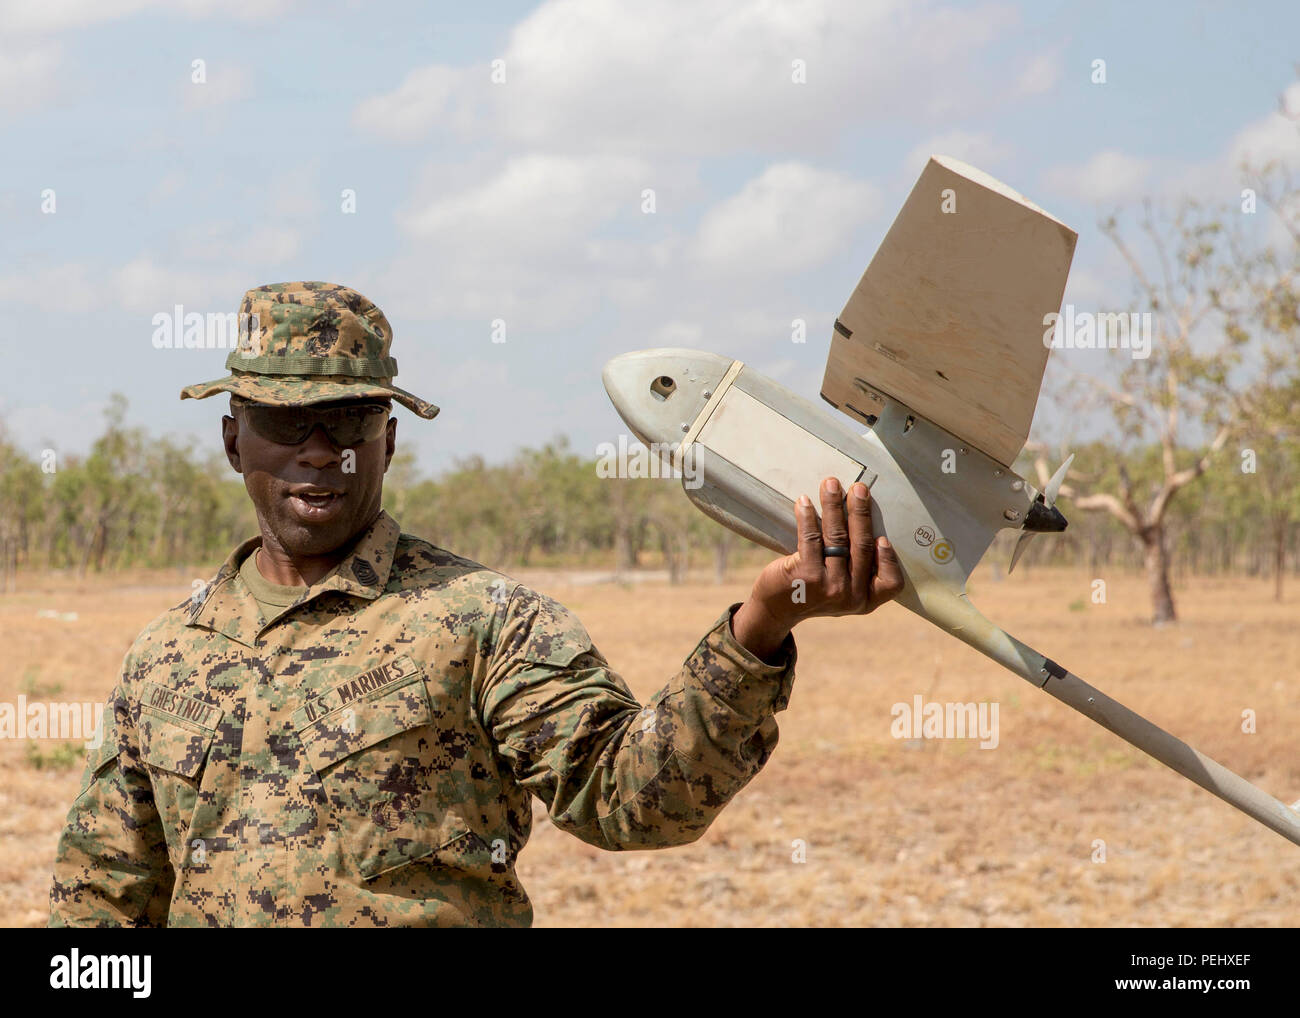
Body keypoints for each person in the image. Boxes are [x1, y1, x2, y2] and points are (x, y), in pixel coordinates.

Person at [48, 281, 903, 927]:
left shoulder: (483, 620)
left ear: (386, 441)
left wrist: (760, 627)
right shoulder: (168, 654)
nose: (318, 452)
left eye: (346, 423)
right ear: (234, 440)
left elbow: (634, 799)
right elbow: (102, 903)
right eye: (284, 422)